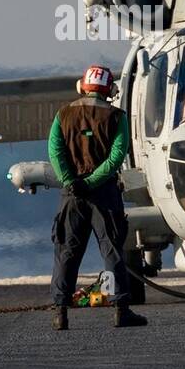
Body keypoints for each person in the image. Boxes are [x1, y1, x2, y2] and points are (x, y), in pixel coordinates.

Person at [47, 64, 147, 330]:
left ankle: (60, 313)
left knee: (66, 252)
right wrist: (92, 182)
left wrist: (71, 181)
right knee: (112, 251)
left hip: (72, 195)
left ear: (81, 86)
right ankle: (121, 310)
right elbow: (116, 157)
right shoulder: (117, 116)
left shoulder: (63, 114)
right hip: (104, 194)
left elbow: (55, 151)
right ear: (110, 90)